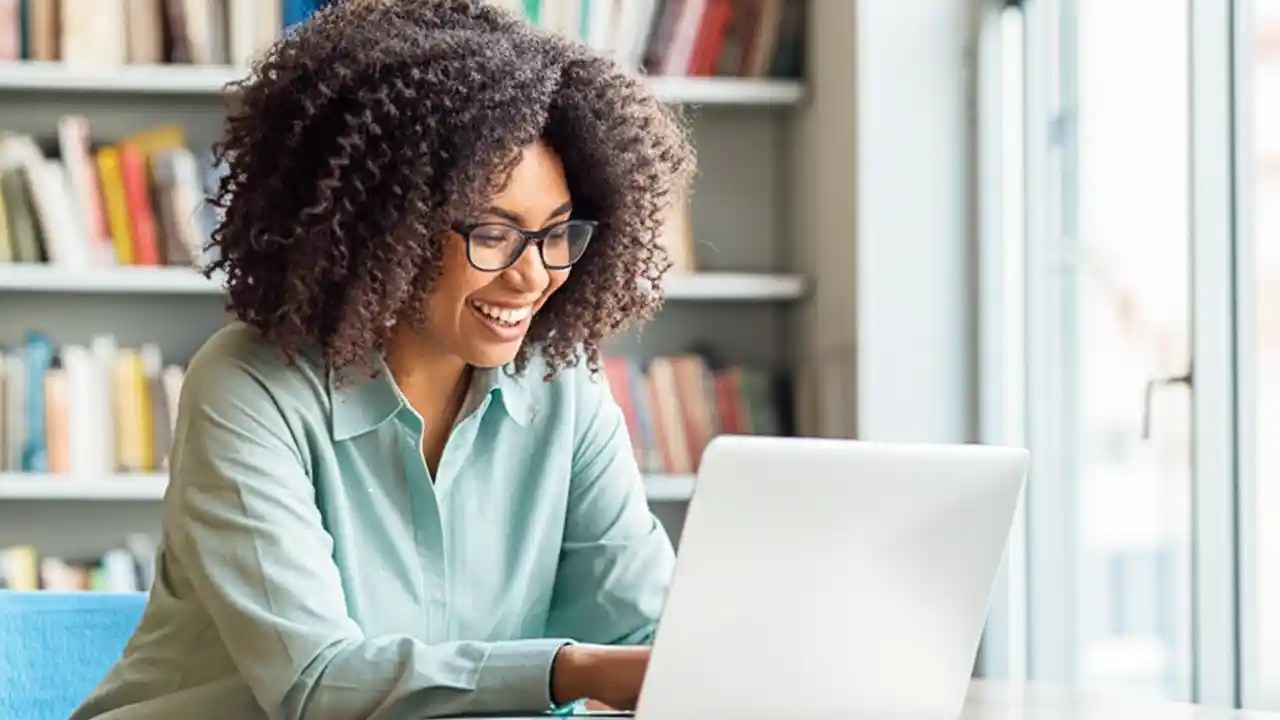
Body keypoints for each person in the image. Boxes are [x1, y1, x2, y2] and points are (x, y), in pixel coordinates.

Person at [71, 1, 695, 718]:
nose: (533, 275)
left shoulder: (564, 390)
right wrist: (571, 672)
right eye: (494, 233)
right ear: (381, 228)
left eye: (558, 234)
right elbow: (317, 685)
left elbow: (644, 629)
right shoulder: (248, 386)